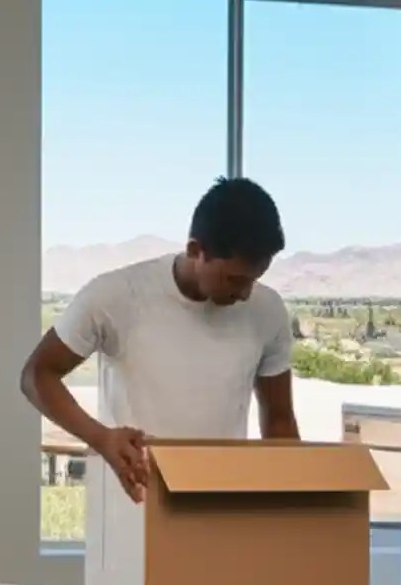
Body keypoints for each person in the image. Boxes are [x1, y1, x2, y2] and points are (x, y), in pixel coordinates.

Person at [20, 177, 299, 502]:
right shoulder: (116, 296)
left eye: (254, 279)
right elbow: (36, 374)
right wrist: (102, 438)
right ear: (196, 250)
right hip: (131, 503)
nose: (245, 293)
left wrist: (290, 508)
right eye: (234, 279)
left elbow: (279, 419)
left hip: (221, 505)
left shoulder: (268, 310)